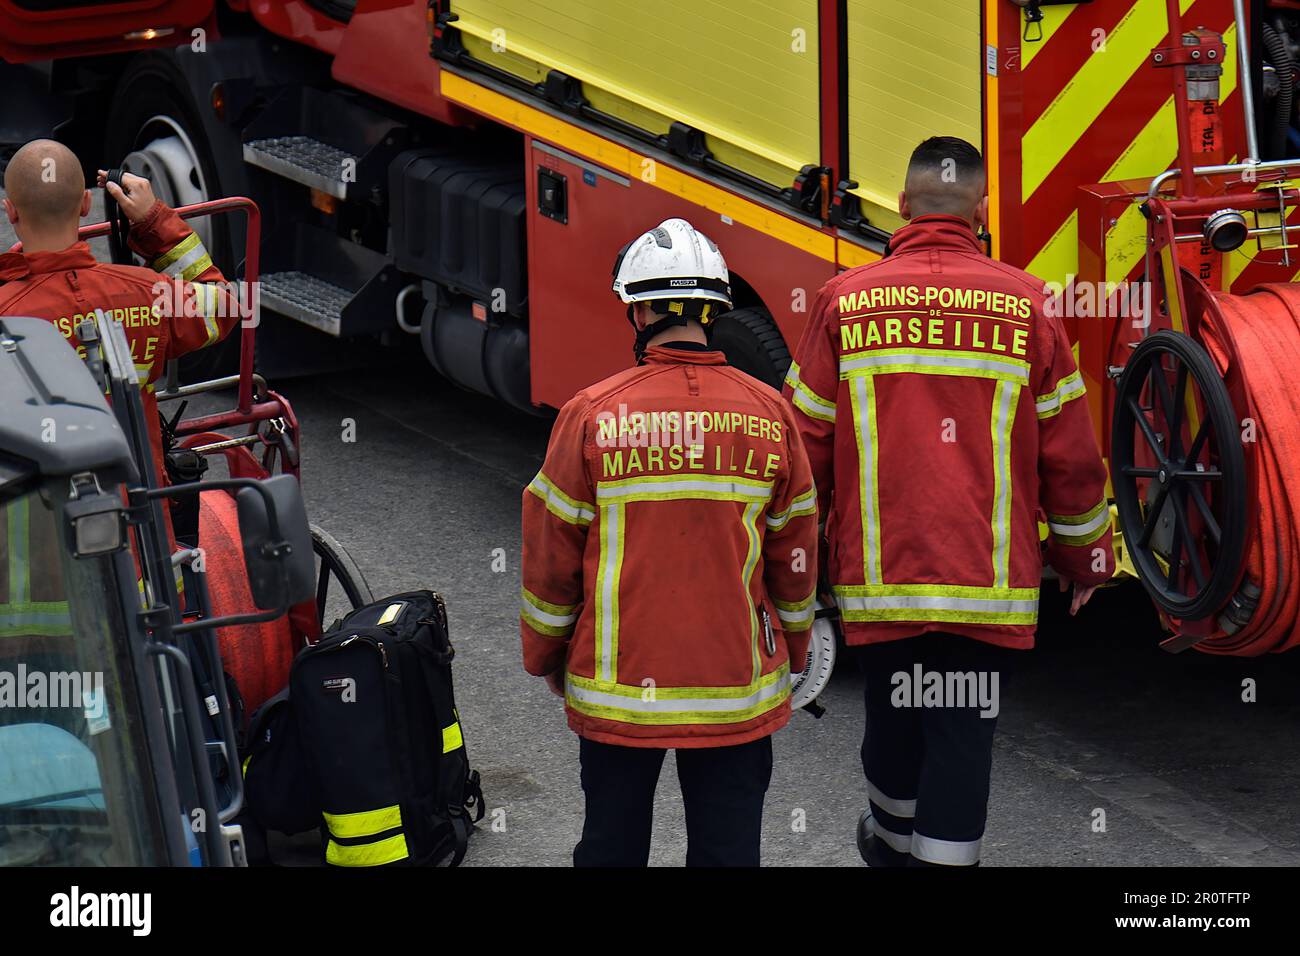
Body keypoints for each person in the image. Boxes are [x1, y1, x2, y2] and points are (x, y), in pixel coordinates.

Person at [785, 137, 1113, 867]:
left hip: (882, 580)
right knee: (962, 729)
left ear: (901, 206)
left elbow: (801, 453)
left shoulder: (848, 301)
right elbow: (1069, 455)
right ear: (983, 211)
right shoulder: (1027, 305)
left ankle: (893, 849)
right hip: (984, 586)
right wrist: (1086, 557)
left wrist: (789, 572)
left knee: (894, 721)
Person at [520, 217, 819, 867]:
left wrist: (547, 653)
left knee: (611, 846)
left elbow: (551, 553)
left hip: (619, 688)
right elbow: (794, 554)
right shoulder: (771, 414)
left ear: (643, 309)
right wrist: (795, 649)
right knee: (728, 852)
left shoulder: (592, 414)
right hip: (735, 689)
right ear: (712, 311)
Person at [0, 139, 242, 499]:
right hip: (145, 523)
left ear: (10, 212)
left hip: (40, 537)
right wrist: (155, 223)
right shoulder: (148, 293)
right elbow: (226, 306)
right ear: (85, 205)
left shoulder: (7, 312)